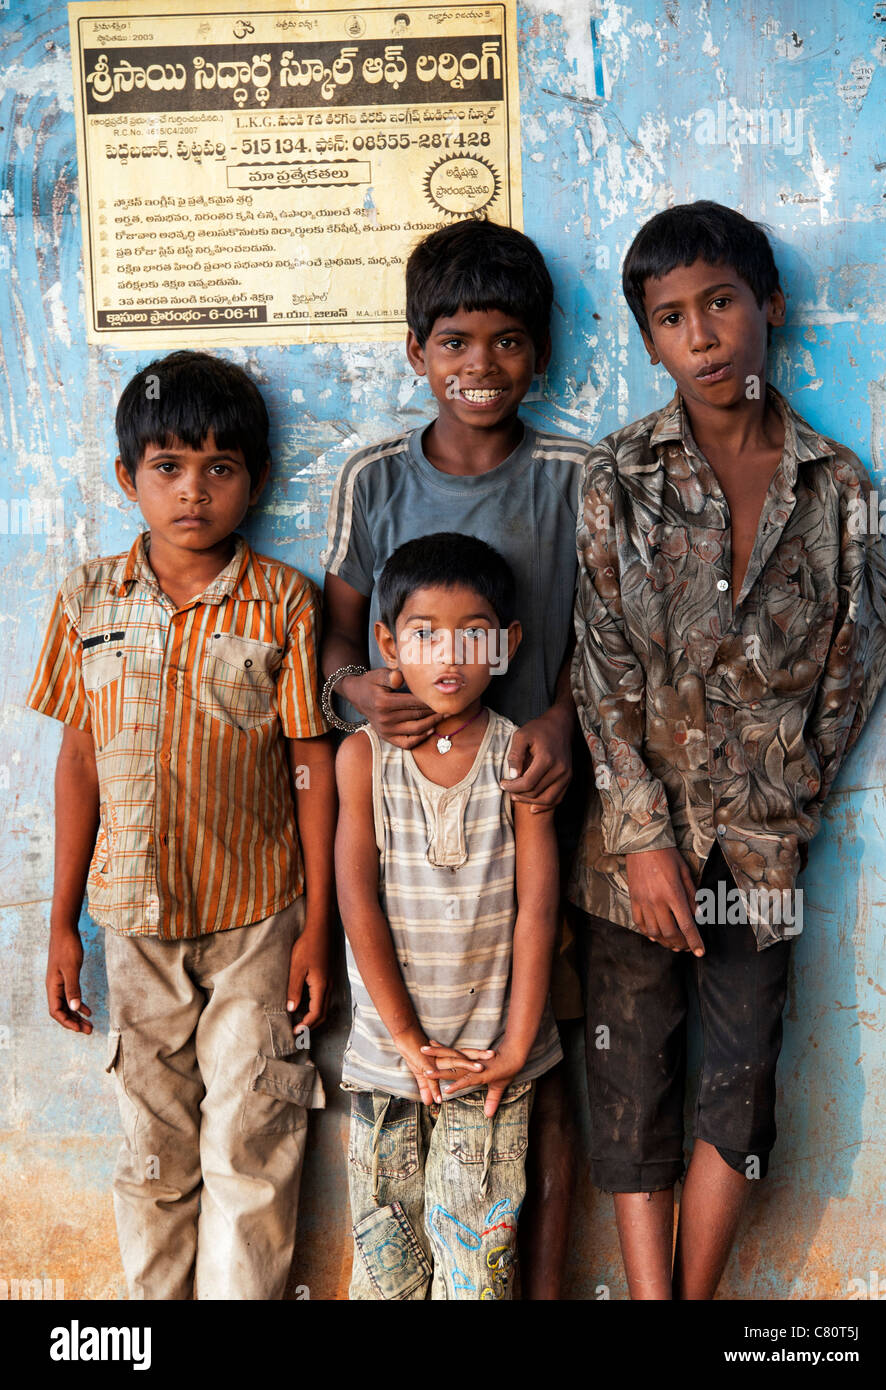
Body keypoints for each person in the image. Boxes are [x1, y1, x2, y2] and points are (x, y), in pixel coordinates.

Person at [570, 201, 886, 1300]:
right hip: (630, 863)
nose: (702, 335)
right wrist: (645, 838)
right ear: (651, 339)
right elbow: (601, 666)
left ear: (769, 307)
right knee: (630, 1082)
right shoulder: (616, 477)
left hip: (759, 865)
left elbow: (867, 648)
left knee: (742, 1089)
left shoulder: (839, 488)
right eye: (672, 317)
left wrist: (789, 796)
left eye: (720, 303)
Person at [27, 350, 337, 1300]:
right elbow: (79, 759)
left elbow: (310, 767)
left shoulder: (282, 601)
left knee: (253, 1145)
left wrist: (315, 928)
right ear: (129, 480)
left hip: (259, 920)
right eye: (167, 468)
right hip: (131, 921)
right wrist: (60, 922)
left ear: (255, 482)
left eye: (219, 469)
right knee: (155, 1154)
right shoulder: (88, 600)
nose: (192, 491)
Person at [320, 218, 590, 1297]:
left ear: (540, 351)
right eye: (456, 342)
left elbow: (610, 636)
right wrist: (357, 694)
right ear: (415, 350)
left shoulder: (576, 474)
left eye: (509, 342)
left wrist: (562, 723)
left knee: (534, 1072)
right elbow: (339, 636)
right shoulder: (374, 478)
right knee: (411, 1075)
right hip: (408, 810)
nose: (482, 367)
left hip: (536, 801)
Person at [335, 532, 563, 1300]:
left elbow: (537, 910)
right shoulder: (362, 758)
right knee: (384, 1260)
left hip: (490, 1063)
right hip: (385, 1062)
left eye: (473, 632)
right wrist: (404, 1037)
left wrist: (517, 1040)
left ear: (506, 645)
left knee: (477, 1257)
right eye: (425, 633)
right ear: (387, 643)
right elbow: (354, 902)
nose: (449, 652)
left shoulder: (516, 757)